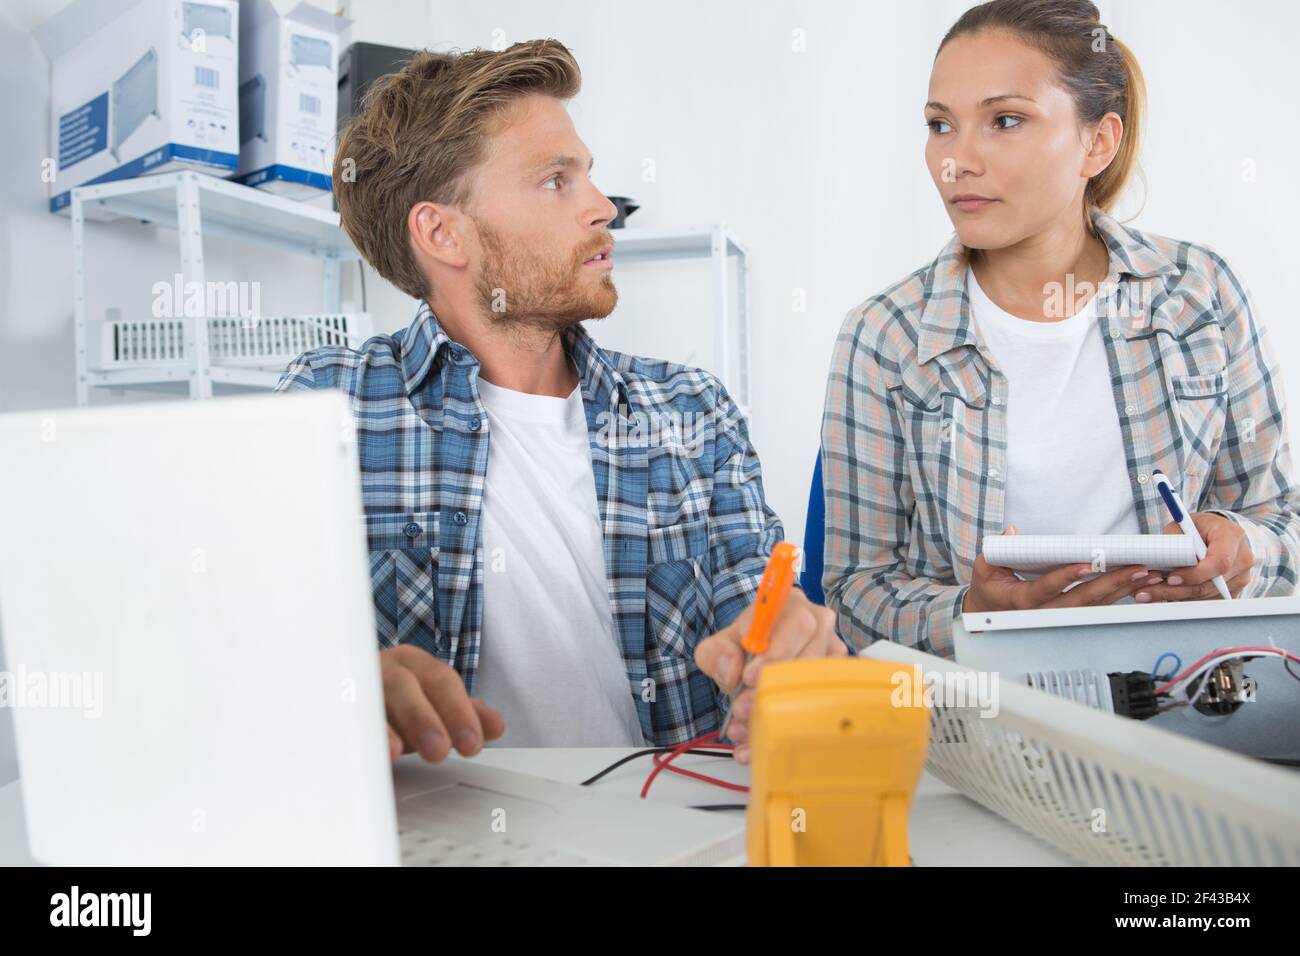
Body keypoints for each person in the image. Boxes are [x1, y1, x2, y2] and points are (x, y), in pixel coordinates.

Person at [277, 40, 842, 763]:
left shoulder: (693, 412)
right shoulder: (330, 409)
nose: (602, 207)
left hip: (668, 832)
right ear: (441, 232)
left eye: (589, 178)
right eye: (555, 181)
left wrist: (789, 657)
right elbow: (245, 652)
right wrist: (342, 686)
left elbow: (761, 612)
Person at [821, 0, 1300, 657]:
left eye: (1005, 120)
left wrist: (1245, 548)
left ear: (1097, 142)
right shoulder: (883, 338)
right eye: (940, 125)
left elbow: (1284, 521)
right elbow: (854, 592)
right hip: (984, 721)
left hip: (1189, 694)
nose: (955, 162)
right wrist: (973, 610)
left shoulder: (1202, 295)